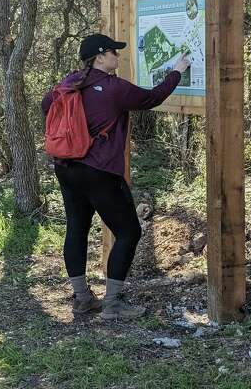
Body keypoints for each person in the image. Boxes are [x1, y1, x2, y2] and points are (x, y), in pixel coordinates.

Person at [41, 33, 190, 320]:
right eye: (113, 52)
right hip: (99, 170)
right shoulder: (112, 88)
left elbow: (47, 107)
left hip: (66, 167)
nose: (117, 57)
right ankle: (113, 303)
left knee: (76, 227)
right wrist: (176, 71)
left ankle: (83, 298)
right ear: (99, 57)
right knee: (129, 231)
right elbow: (151, 98)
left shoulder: (67, 83)